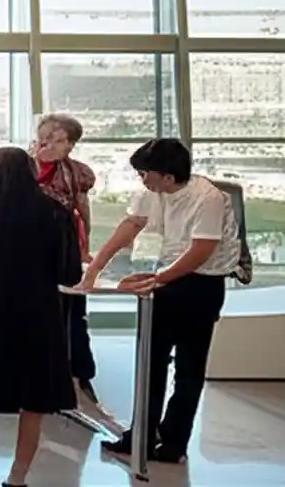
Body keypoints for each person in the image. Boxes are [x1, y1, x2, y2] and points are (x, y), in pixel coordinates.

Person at [81, 139, 240, 464]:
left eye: (146, 173)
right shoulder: (150, 192)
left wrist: (158, 279)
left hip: (202, 285)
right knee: (150, 362)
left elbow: (201, 250)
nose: (142, 180)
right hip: (166, 280)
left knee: (188, 369)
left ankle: (173, 442)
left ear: (168, 176)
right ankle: (141, 434)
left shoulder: (207, 197)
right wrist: (95, 268)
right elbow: (130, 227)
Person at [0, 147, 78, 487]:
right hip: (39, 316)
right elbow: (69, 273)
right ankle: (17, 478)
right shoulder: (55, 212)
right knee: (32, 399)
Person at [32, 113, 99, 404]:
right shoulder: (24, 165)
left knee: (72, 307)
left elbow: (82, 212)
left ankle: (77, 373)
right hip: (32, 244)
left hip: (64, 243)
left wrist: (85, 248)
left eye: (70, 141)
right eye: (61, 139)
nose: (66, 146)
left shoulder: (76, 172)